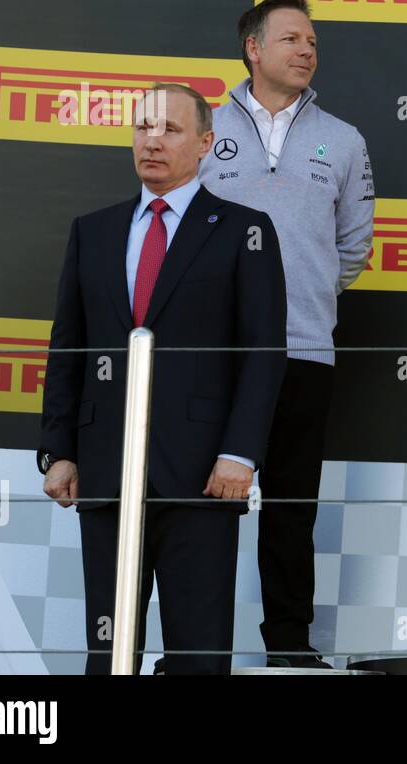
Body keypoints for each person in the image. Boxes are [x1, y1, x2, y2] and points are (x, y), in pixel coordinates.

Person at [39, 83, 287, 674]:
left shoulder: (244, 231)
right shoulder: (92, 231)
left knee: (198, 652)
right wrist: (59, 450)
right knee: (110, 647)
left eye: (170, 130)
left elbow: (264, 352)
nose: (152, 140)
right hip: (104, 470)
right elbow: (68, 345)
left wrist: (240, 454)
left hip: (204, 474)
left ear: (206, 143)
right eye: (143, 127)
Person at [199, 0, 374, 668]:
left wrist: (296, 298)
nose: (307, 51)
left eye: (313, 42)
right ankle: (199, 649)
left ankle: (290, 651)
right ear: (253, 48)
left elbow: (351, 250)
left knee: (292, 512)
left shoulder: (346, 140)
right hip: (214, 357)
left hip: (304, 349)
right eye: (292, 39)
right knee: (205, 508)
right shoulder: (206, 129)